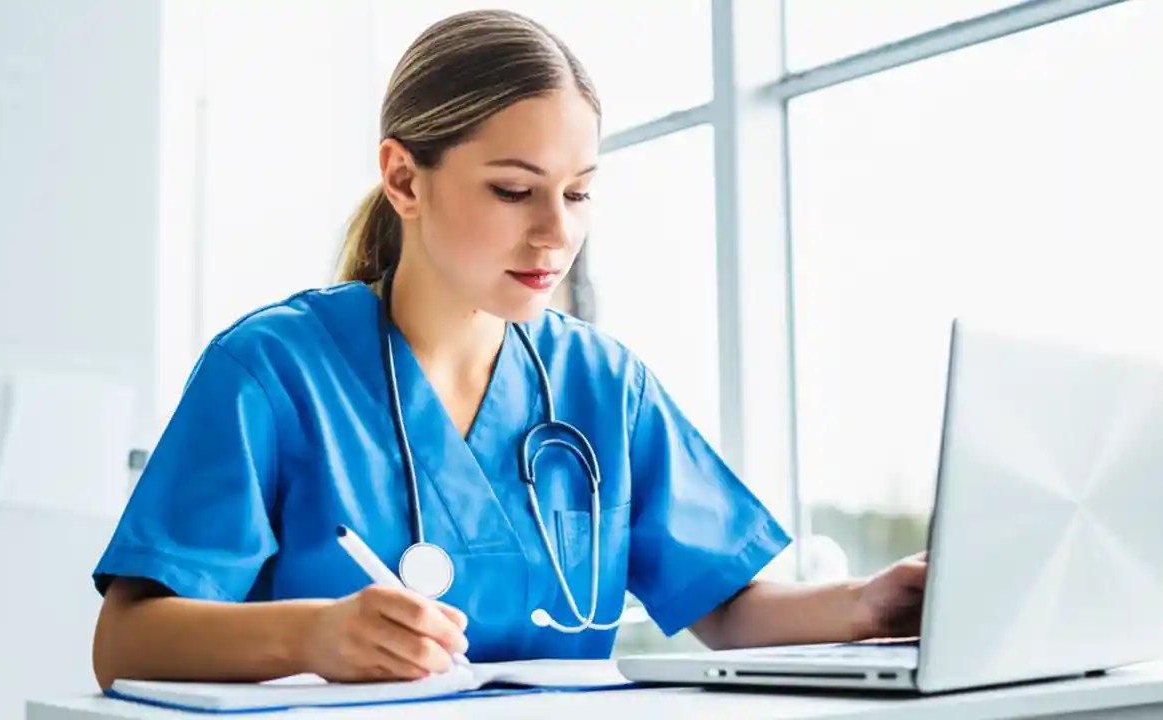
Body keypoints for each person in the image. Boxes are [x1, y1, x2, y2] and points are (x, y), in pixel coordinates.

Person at [90, 9, 926, 689]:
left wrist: (868, 603)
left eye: (578, 192)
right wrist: (313, 635)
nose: (557, 232)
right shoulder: (271, 372)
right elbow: (127, 639)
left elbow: (726, 608)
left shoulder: (604, 384)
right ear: (404, 178)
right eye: (514, 190)